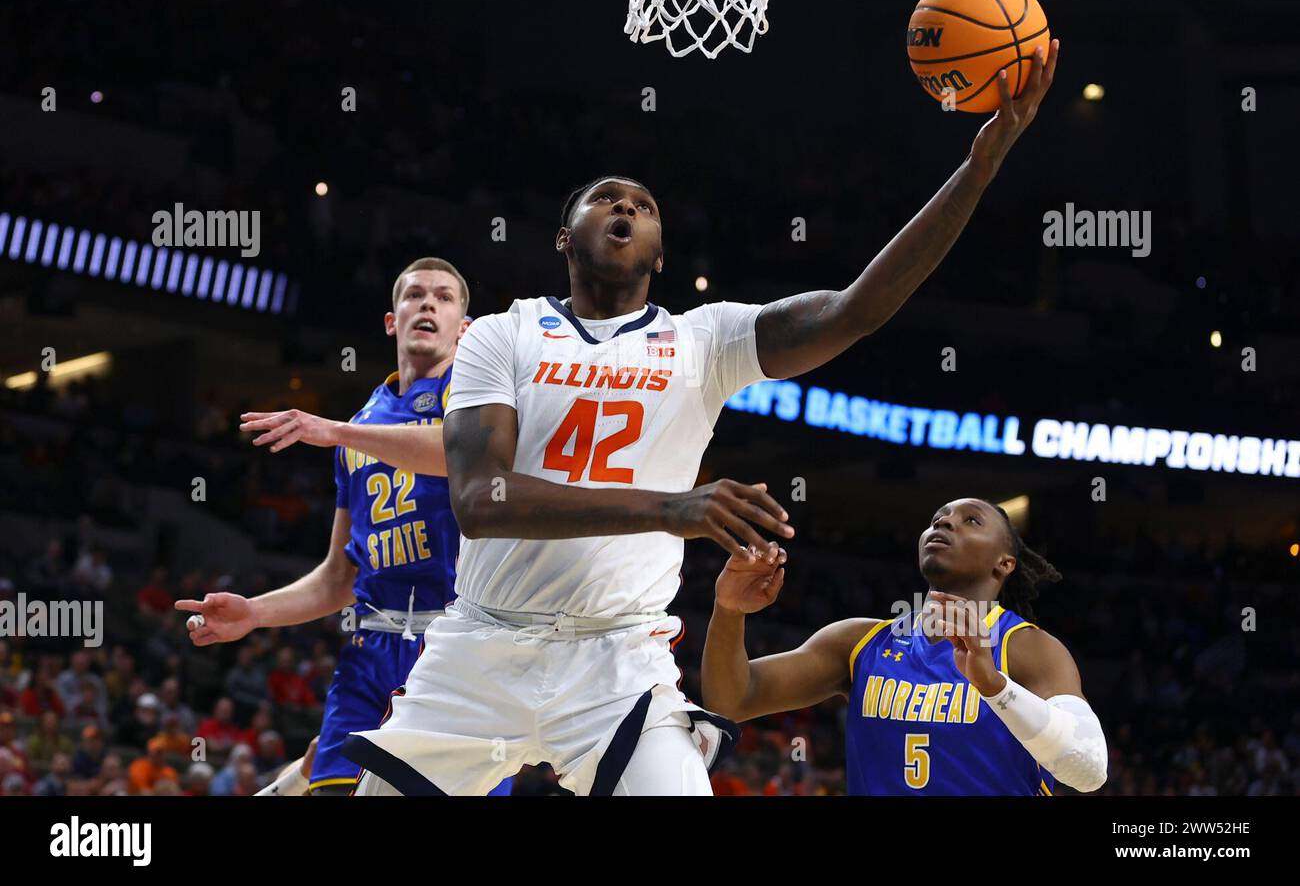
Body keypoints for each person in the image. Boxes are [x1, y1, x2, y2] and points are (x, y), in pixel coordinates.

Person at [237, 44, 1061, 795]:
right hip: (480, 647)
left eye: (643, 204)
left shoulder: (704, 339)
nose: (625, 208)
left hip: (620, 656)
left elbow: (855, 311)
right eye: (606, 200)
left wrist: (977, 169)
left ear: (661, 252)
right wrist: (676, 508)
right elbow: (482, 498)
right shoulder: (503, 332)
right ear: (566, 236)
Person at [179, 258, 511, 796]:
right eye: (415, 295)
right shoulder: (359, 426)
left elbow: (460, 453)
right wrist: (254, 613)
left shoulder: (476, 393)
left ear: (465, 327)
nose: (428, 304)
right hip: (370, 651)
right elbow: (339, 578)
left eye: (444, 298)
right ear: (391, 320)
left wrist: (333, 431)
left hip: (461, 651)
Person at [701, 498, 1108, 795]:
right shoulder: (859, 643)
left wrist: (996, 688)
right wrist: (729, 611)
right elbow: (734, 699)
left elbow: (1090, 769)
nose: (945, 524)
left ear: (1004, 562)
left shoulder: (1027, 648)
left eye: (970, 520)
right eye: (937, 519)